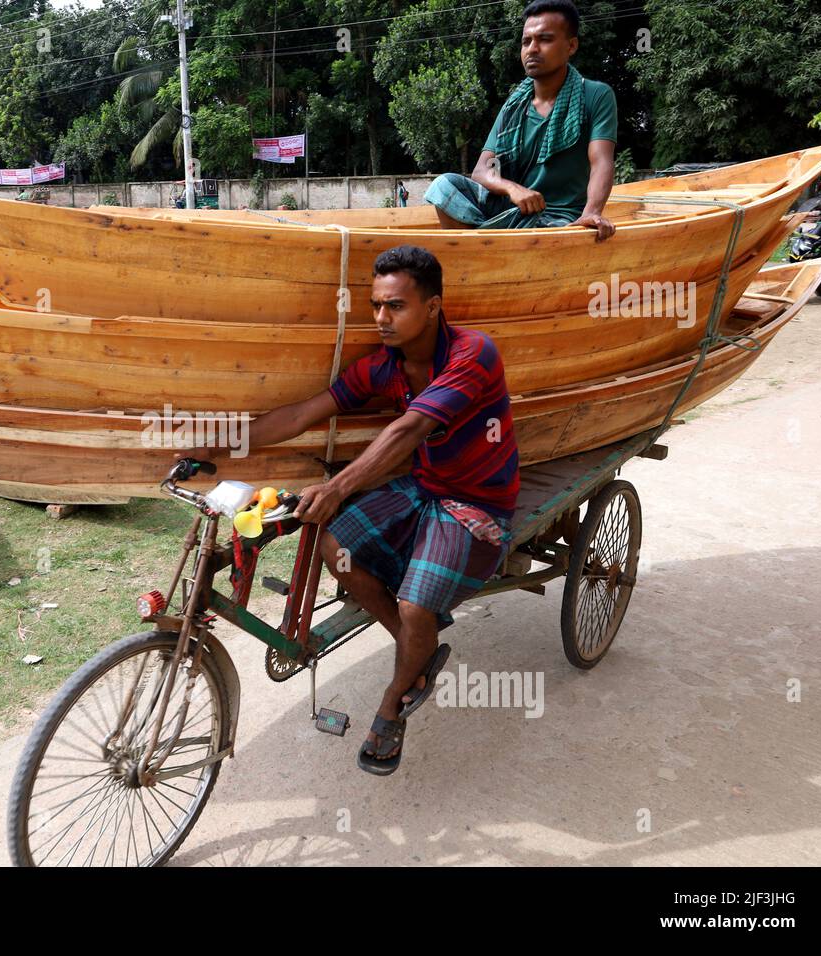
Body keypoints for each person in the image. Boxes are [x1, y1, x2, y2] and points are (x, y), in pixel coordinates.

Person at [187, 245, 519, 775]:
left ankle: (392, 703)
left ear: (433, 307)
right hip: (424, 487)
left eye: (396, 306)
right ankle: (418, 649)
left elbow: (409, 429)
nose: (382, 319)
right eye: (375, 306)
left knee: (416, 608)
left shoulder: (473, 353)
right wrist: (218, 447)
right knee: (332, 544)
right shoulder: (384, 367)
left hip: (474, 503)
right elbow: (300, 414)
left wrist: (339, 486)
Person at [424, 0, 618, 241]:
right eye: (527, 41)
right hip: (510, 207)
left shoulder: (595, 95)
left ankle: (484, 246)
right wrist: (512, 189)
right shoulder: (514, 105)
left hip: (558, 217)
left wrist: (591, 214)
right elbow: (483, 170)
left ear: (571, 45)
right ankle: (474, 253)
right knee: (444, 186)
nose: (532, 49)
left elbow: (601, 162)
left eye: (544, 39)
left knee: (555, 232)